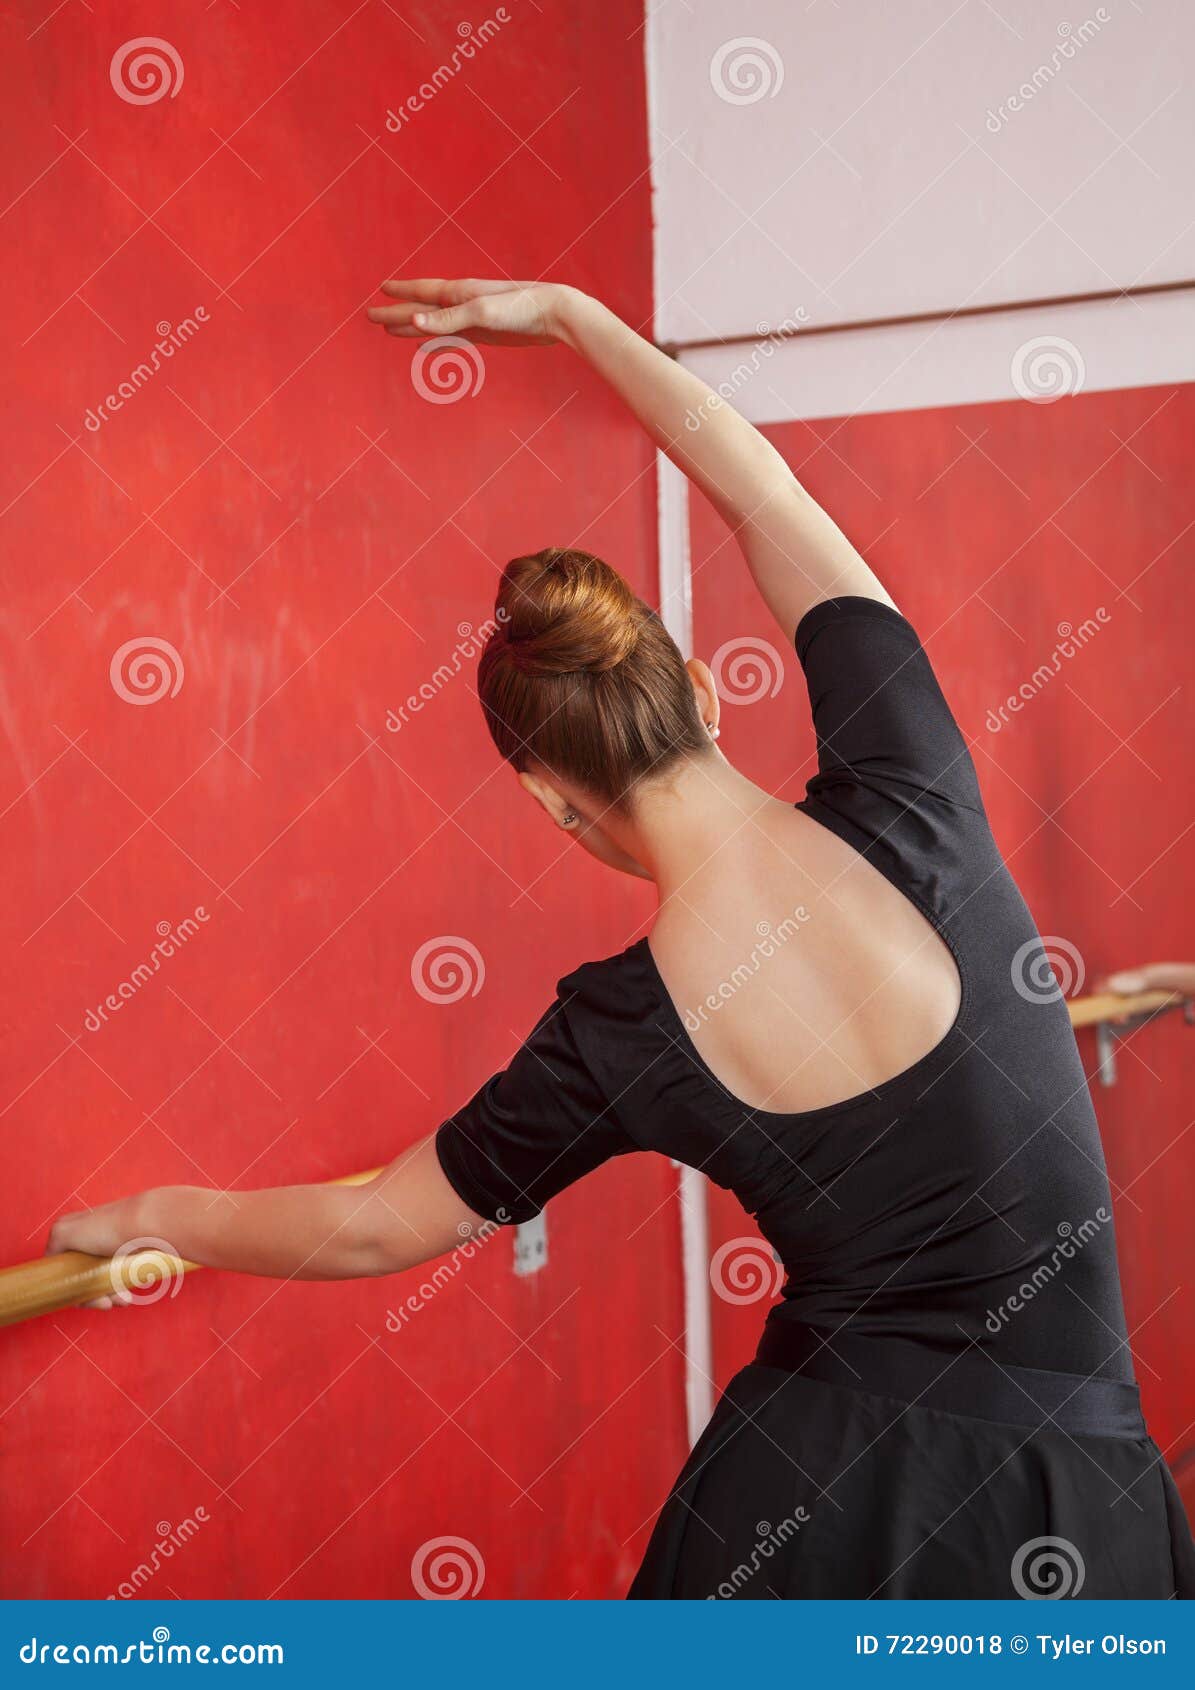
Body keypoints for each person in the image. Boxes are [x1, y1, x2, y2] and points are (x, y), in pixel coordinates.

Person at [47, 279, 1195, 1600]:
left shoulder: (616, 1031)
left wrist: (147, 1217)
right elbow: (762, 494)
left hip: (809, 1508)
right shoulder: (912, 781)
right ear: (702, 687)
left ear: (545, 798)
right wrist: (579, 320)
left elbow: (372, 1228)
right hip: (1071, 1489)